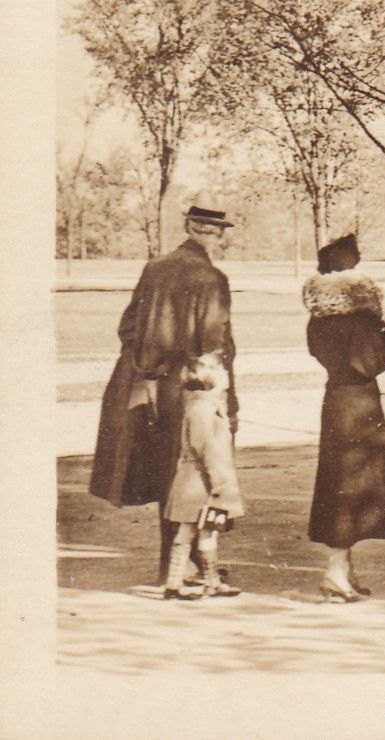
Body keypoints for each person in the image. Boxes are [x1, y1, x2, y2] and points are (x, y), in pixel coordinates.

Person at [89, 203, 238, 586]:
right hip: (192, 389)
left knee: (168, 475)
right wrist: (229, 401)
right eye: (220, 233)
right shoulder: (212, 278)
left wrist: (147, 366)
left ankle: (175, 564)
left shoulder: (154, 268)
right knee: (196, 473)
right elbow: (216, 345)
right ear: (210, 233)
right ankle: (186, 565)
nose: (223, 240)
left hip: (148, 386)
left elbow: (128, 328)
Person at [302, 233, 385, 603]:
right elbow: (372, 363)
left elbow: (324, 354)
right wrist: (384, 331)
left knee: (338, 485)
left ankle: (345, 569)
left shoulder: (318, 319)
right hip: (359, 406)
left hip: (334, 400)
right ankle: (334, 572)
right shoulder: (363, 318)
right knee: (352, 489)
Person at [160, 352, 244, 600]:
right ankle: (180, 583)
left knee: (205, 530)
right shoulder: (202, 409)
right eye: (221, 370)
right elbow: (205, 448)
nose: (226, 375)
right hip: (201, 482)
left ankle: (205, 582)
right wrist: (220, 484)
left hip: (197, 480)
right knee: (193, 530)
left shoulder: (202, 406)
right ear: (209, 377)